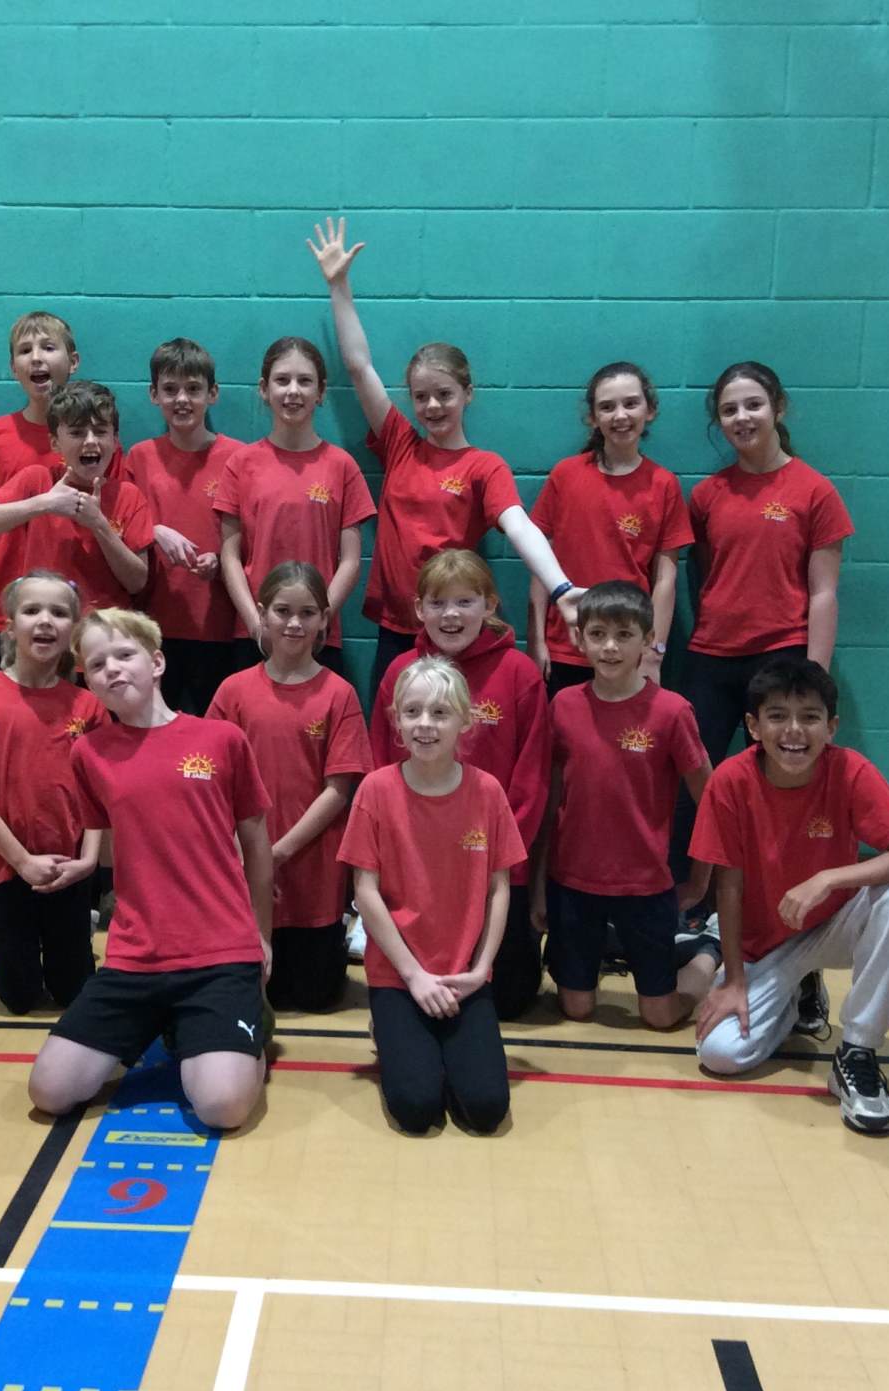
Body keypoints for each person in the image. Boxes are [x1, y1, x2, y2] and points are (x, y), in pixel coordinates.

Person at [307, 216, 580, 700]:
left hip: (457, 625)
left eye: (444, 394)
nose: (432, 406)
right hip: (400, 627)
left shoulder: (484, 465)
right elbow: (357, 365)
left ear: (467, 394)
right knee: (397, 736)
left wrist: (561, 588)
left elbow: (518, 524)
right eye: (421, 396)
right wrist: (339, 286)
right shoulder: (399, 442)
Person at [27, 610, 274, 1132]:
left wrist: (261, 939)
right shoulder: (88, 753)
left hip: (221, 952)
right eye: (97, 664)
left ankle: (244, 1027)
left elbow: (256, 842)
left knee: (223, 1107)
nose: (112, 670)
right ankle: (164, 1024)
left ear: (156, 661)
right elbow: (112, 840)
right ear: (88, 682)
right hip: (136, 958)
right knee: (50, 1092)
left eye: (124, 655)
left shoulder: (221, 739)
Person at [676, 360, 854, 1028]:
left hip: (782, 658)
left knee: (781, 804)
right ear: (718, 422)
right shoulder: (707, 494)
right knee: (693, 788)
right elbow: (700, 576)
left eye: (753, 404)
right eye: (729, 410)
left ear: (779, 407)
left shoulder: (814, 491)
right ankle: (696, 921)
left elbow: (824, 591)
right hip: (711, 659)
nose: (743, 418)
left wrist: (813, 681)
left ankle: (797, 958)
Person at [690, 657, 889, 1137]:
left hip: (833, 924)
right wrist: (734, 980)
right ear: (753, 726)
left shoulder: (851, 771)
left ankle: (857, 1050)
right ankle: (796, 992)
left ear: (831, 726)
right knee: (721, 1055)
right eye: (777, 716)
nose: (794, 730)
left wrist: (830, 879)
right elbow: (728, 885)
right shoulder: (730, 782)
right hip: (766, 944)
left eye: (810, 717)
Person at [340, 656, 523, 1135]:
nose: (425, 724)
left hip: (465, 975)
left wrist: (482, 969)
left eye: (440, 713)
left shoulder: (488, 793)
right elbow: (366, 890)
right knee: (416, 1109)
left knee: (485, 1110)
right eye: (413, 712)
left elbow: (499, 888)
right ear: (396, 721)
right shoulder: (376, 791)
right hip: (401, 975)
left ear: (465, 721)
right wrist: (414, 976)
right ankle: (392, 1030)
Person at [370, 551, 550, 1020]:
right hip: (416, 863)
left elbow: (531, 781)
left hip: (491, 863)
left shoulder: (520, 674)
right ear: (419, 609)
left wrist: (504, 857)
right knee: (415, 995)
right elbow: (381, 764)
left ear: (490, 605)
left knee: (510, 1001)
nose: (451, 615)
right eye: (438, 603)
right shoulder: (399, 674)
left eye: (465, 601)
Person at [532, 582, 715, 1028]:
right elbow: (551, 799)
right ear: (579, 639)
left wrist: (699, 880)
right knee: (577, 1009)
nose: (610, 647)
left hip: (646, 885)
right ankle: (603, 948)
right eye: (597, 634)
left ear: (648, 639)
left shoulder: (672, 712)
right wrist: (539, 883)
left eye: (624, 634)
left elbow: (711, 800)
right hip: (572, 882)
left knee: (660, 1016)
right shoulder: (563, 705)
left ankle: (708, 954)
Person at [0, 571, 103, 1015]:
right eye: (32, 611)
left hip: (70, 866)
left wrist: (87, 861)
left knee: (74, 993)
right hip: (6, 867)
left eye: (59, 612)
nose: (45, 621)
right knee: (19, 997)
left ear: (74, 630)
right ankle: (11, 951)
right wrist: (23, 861)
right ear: (10, 627)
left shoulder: (88, 706)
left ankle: (77, 945)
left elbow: (99, 795)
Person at [208, 562, 370, 1012]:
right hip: (241, 861)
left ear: (324, 619)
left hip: (311, 866)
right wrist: (248, 856)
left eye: (307, 612)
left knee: (314, 996)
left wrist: (275, 854)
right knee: (255, 991)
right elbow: (211, 784)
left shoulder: (339, 694)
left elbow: (339, 790)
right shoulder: (233, 691)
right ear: (262, 614)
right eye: (282, 611)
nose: (294, 623)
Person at [527, 363, 692, 698]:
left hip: (630, 649)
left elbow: (665, 580)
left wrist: (653, 653)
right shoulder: (565, 475)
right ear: (592, 417)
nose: (620, 415)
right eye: (607, 406)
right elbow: (539, 563)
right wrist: (537, 641)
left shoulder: (663, 484)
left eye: (631, 403)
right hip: (567, 646)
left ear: (651, 410)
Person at [214, 337, 376, 675]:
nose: (293, 391)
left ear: (321, 392)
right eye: (282, 380)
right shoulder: (241, 463)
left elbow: (350, 560)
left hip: (319, 638)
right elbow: (230, 555)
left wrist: (320, 618)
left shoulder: (342, 466)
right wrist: (254, 621)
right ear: (264, 388)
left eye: (305, 381)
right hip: (256, 635)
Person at [0, 310, 79, 680]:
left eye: (48, 347)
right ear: (14, 368)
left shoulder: (92, 439)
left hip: (64, 609)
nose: (37, 357)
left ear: (72, 362)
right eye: (25, 350)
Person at [0, 380, 154, 617]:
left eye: (101, 431)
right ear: (55, 443)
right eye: (77, 432)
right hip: (46, 629)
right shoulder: (38, 480)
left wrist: (99, 524)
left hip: (103, 633)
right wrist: (45, 503)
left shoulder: (128, 495)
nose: (91, 440)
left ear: (115, 441)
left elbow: (137, 582)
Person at [126, 337, 244, 715]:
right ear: (153, 394)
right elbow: (121, 523)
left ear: (213, 394)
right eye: (170, 389)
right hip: (154, 625)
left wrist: (221, 560)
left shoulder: (238, 457)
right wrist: (155, 530)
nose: (182, 400)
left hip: (220, 625)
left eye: (193, 389)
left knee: (214, 735)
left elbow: (252, 537)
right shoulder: (140, 456)